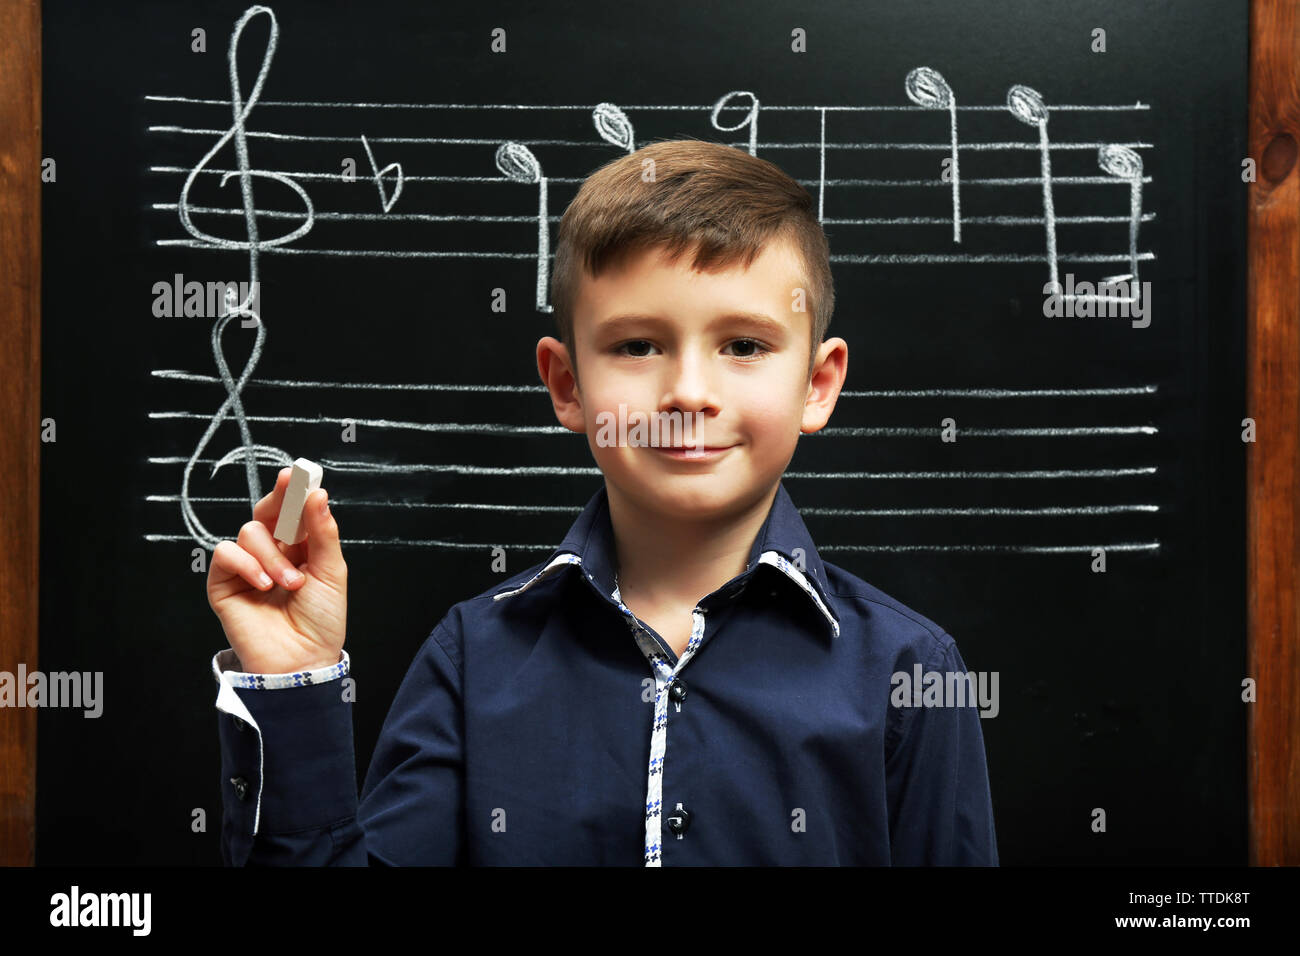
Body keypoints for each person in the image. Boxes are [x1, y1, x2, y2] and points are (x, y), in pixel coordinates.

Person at [206, 138, 999, 865]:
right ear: (566, 384)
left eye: (745, 346)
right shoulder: (473, 660)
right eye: (637, 346)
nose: (689, 392)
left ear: (817, 385)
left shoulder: (909, 672)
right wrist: (297, 686)